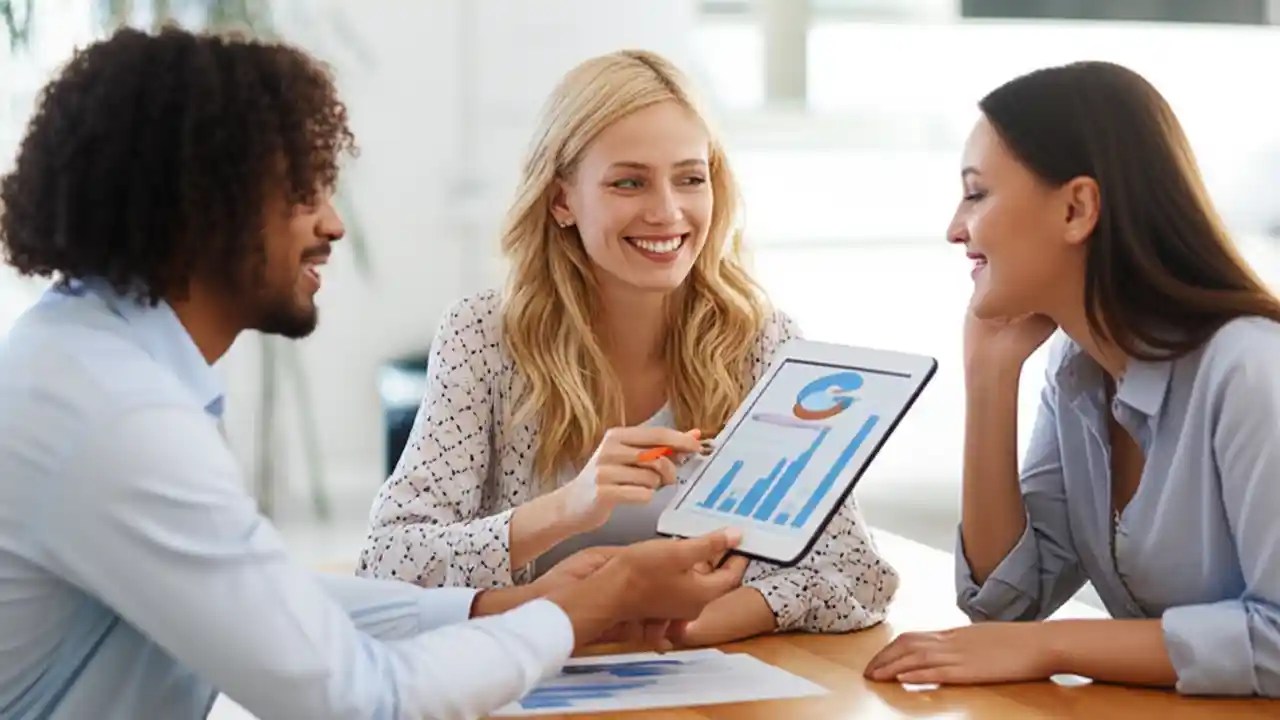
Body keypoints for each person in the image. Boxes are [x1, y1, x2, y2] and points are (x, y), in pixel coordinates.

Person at [0, 27, 750, 720]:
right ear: (198, 211)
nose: (333, 225)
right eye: (301, 194)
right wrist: (579, 611)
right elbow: (360, 701)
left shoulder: (90, 366)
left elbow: (276, 605)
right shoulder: (121, 421)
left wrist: (495, 609)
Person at [357, 49, 898, 647]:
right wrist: (569, 508)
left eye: (690, 178)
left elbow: (854, 573)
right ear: (562, 200)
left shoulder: (762, 343)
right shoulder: (484, 336)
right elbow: (389, 561)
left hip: (699, 683)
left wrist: (674, 626)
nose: (667, 212)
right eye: (629, 182)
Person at [864, 61, 1280, 697]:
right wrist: (989, 377)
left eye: (977, 193)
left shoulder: (1250, 370)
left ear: (1077, 208)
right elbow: (1005, 605)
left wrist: (1050, 645)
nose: (955, 228)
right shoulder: (1080, 372)